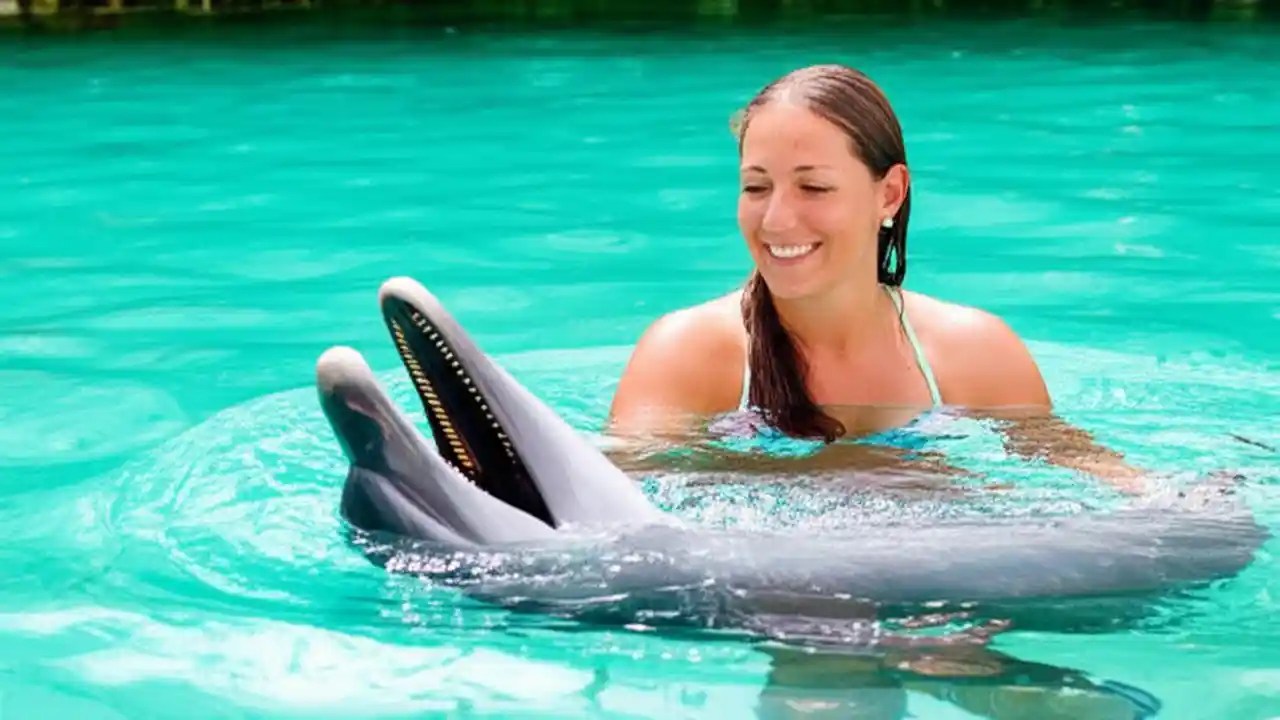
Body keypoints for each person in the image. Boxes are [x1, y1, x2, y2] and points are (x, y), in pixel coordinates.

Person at [606, 63, 1148, 493]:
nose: (776, 220)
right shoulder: (688, 353)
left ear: (888, 194)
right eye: (755, 188)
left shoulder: (973, 353)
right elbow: (611, 505)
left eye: (813, 188)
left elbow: (1089, 471)